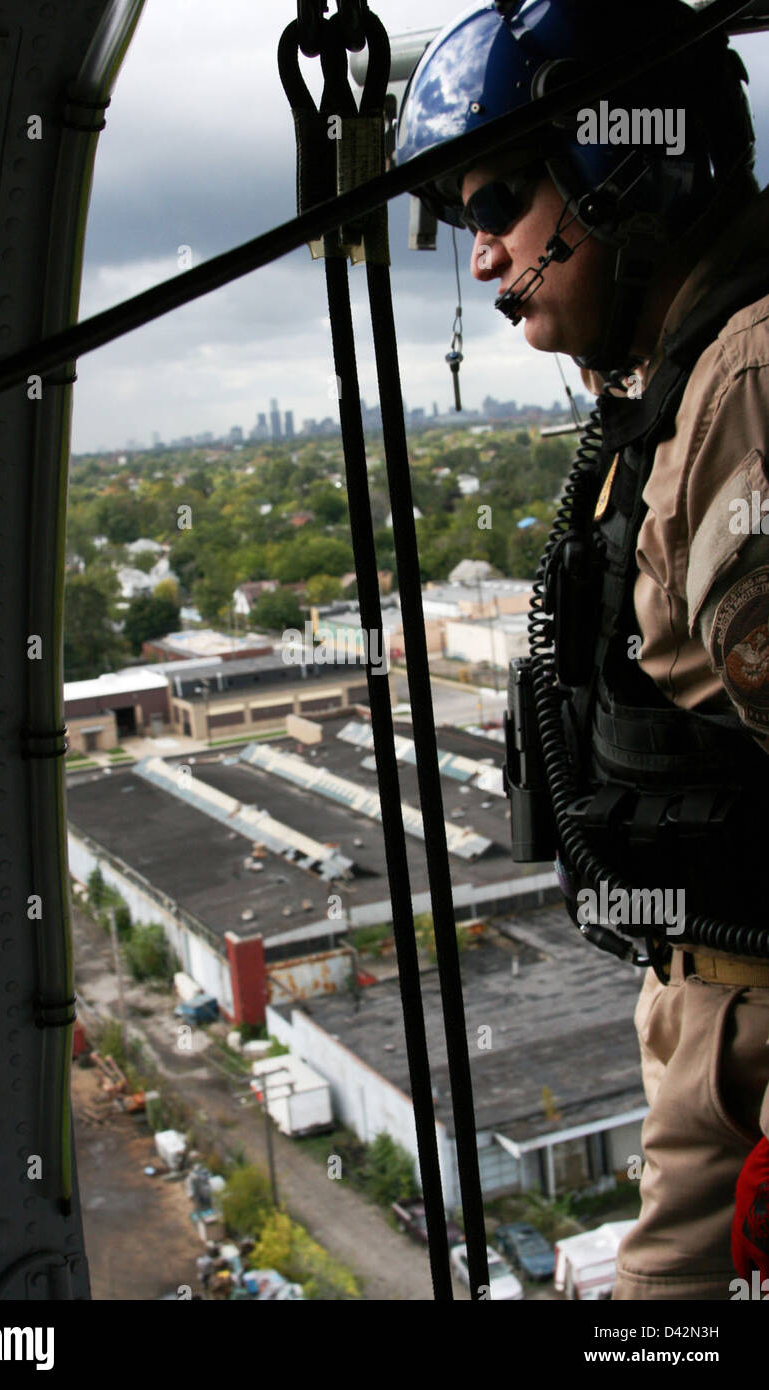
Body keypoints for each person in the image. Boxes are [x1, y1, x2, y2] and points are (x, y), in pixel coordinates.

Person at [396, 0, 769, 1300]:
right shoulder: (666, 386)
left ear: (623, 168)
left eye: (500, 198)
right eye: (461, 222)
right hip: (710, 1023)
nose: (485, 253)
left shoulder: (743, 391)